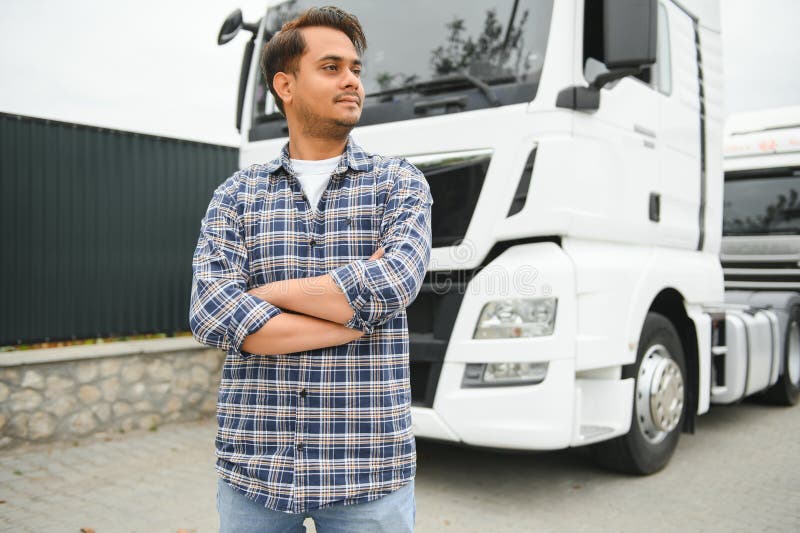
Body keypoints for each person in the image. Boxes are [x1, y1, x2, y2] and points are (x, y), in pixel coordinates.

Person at [189, 6, 432, 532]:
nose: (352, 81)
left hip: (367, 476)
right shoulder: (236, 195)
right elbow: (211, 313)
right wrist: (355, 314)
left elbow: (392, 284)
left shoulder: (400, 184)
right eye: (331, 67)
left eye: (355, 69)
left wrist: (267, 293)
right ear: (286, 84)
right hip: (255, 474)